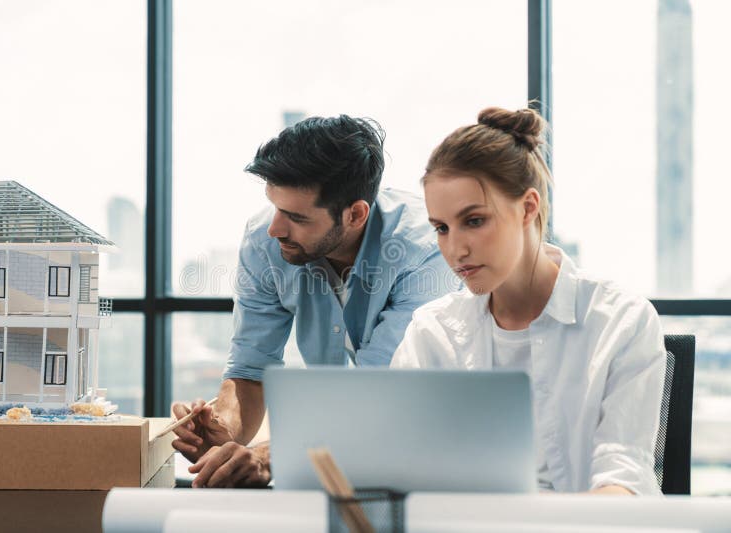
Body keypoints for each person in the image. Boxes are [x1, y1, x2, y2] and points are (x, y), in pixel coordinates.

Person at [390, 107, 666, 495]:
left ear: (528, 207)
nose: (455, 249)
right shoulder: (431, 333)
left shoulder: (621, 320)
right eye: (441, 228)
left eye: (474, 220)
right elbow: (400, 465)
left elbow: (622, 478)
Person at [173, 115, 456, 488]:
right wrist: (223, 426)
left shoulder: (422, 249)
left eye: (296, 217)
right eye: (274, 207)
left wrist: (270, 456)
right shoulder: (266, 240)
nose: (275, 228)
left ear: (355, 214)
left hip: (429, 444)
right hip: (344, 447)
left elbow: (382, 395)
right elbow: (249, 371)